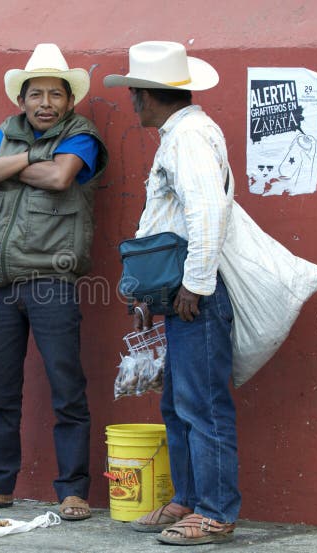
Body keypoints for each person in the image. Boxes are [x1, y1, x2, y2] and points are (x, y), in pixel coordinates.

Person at [0, 43, 108, 521]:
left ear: (69, 101)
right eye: (36, 95)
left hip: (51, 281)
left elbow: (61, 176)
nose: (46, 103)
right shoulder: (8, 130)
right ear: (21, 101)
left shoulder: (81, 133)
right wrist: (28, 160)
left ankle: (72, 490)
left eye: (55, 95)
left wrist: (14, 163)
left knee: (67, 388)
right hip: (0, 282)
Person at [104, 41, 239, 545]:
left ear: (146, 94)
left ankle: (216, 512)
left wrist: (194, 285)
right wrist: (150, 294)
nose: (133, 103)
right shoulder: (180, 135)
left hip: (194, 290)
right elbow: (169, 218)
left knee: (201, 403)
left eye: (135, 94)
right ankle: (188, 498)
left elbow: (207, 213)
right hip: (179, 288)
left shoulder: (190, 138)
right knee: (180, 402)